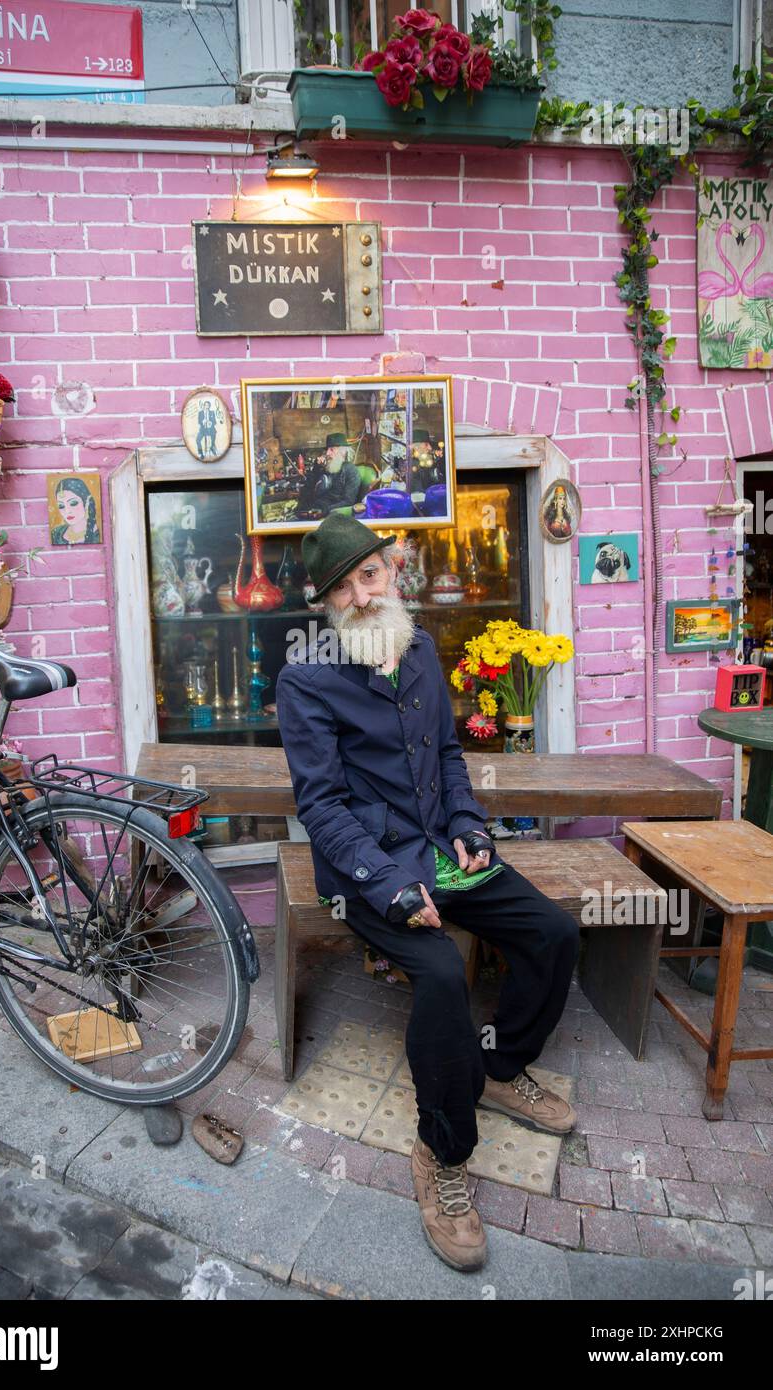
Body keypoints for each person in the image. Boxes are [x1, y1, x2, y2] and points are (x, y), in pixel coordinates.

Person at [274, 512, 579, 1274]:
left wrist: (471, 822)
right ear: (326, 605)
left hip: (447, 851)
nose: (361, 596)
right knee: (441, 973)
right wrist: (385, 881)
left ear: (392, 571)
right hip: (368, 869)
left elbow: (445, 754)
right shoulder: (306, 678)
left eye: (368, 575)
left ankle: (502, 1070)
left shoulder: (420, 649)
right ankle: (441, 1152)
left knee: (553, 932)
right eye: (341, 589)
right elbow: (321, 806)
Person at [310, 432, 362, 514]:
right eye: (327, 449)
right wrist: (316, 467)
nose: (327, 453)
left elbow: (348, 501)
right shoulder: (329, 467)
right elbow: (313, 489)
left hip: (332, 514)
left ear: (343, 451)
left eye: (331, 449)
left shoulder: (351, 471)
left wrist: (324, 511)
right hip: (315, 507)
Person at [50, 476, 101, 546]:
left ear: (87, 502)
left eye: (73, 503)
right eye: (61, 506)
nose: (67, 511)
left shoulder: (98, 535)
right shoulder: (56, 533)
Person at [408, 429, 443, 496]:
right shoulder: (413, 467)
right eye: (426, 444)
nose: (430, 448)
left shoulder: (426, 460)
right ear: (416, 447)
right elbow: (419, 494)